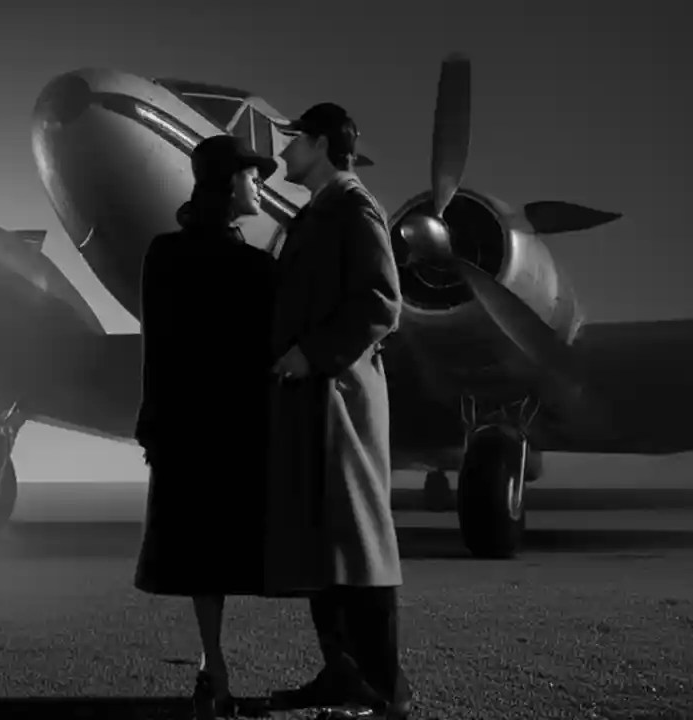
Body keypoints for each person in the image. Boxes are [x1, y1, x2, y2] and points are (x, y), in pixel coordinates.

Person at [263, 102, 413, 719]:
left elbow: (382, 302)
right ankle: (342, 674)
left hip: (342, 397)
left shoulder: (354, 209)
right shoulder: (321, 210)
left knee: (359, 541)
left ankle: (385, 690)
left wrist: (311, 355)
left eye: (293, 139)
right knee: (327, 545)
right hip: (317, 398)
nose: (283, 150)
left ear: (321, 143)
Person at [132, 133, 279, 720]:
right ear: (228, 183)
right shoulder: (259, 267)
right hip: (242, 427)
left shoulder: (161, 254)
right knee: (227, 551)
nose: (260, 185)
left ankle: (211, 662)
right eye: (252, 175)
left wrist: (151, 419)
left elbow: (155, 346)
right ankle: (213, 666)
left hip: (185, 424)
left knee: (198, 556)